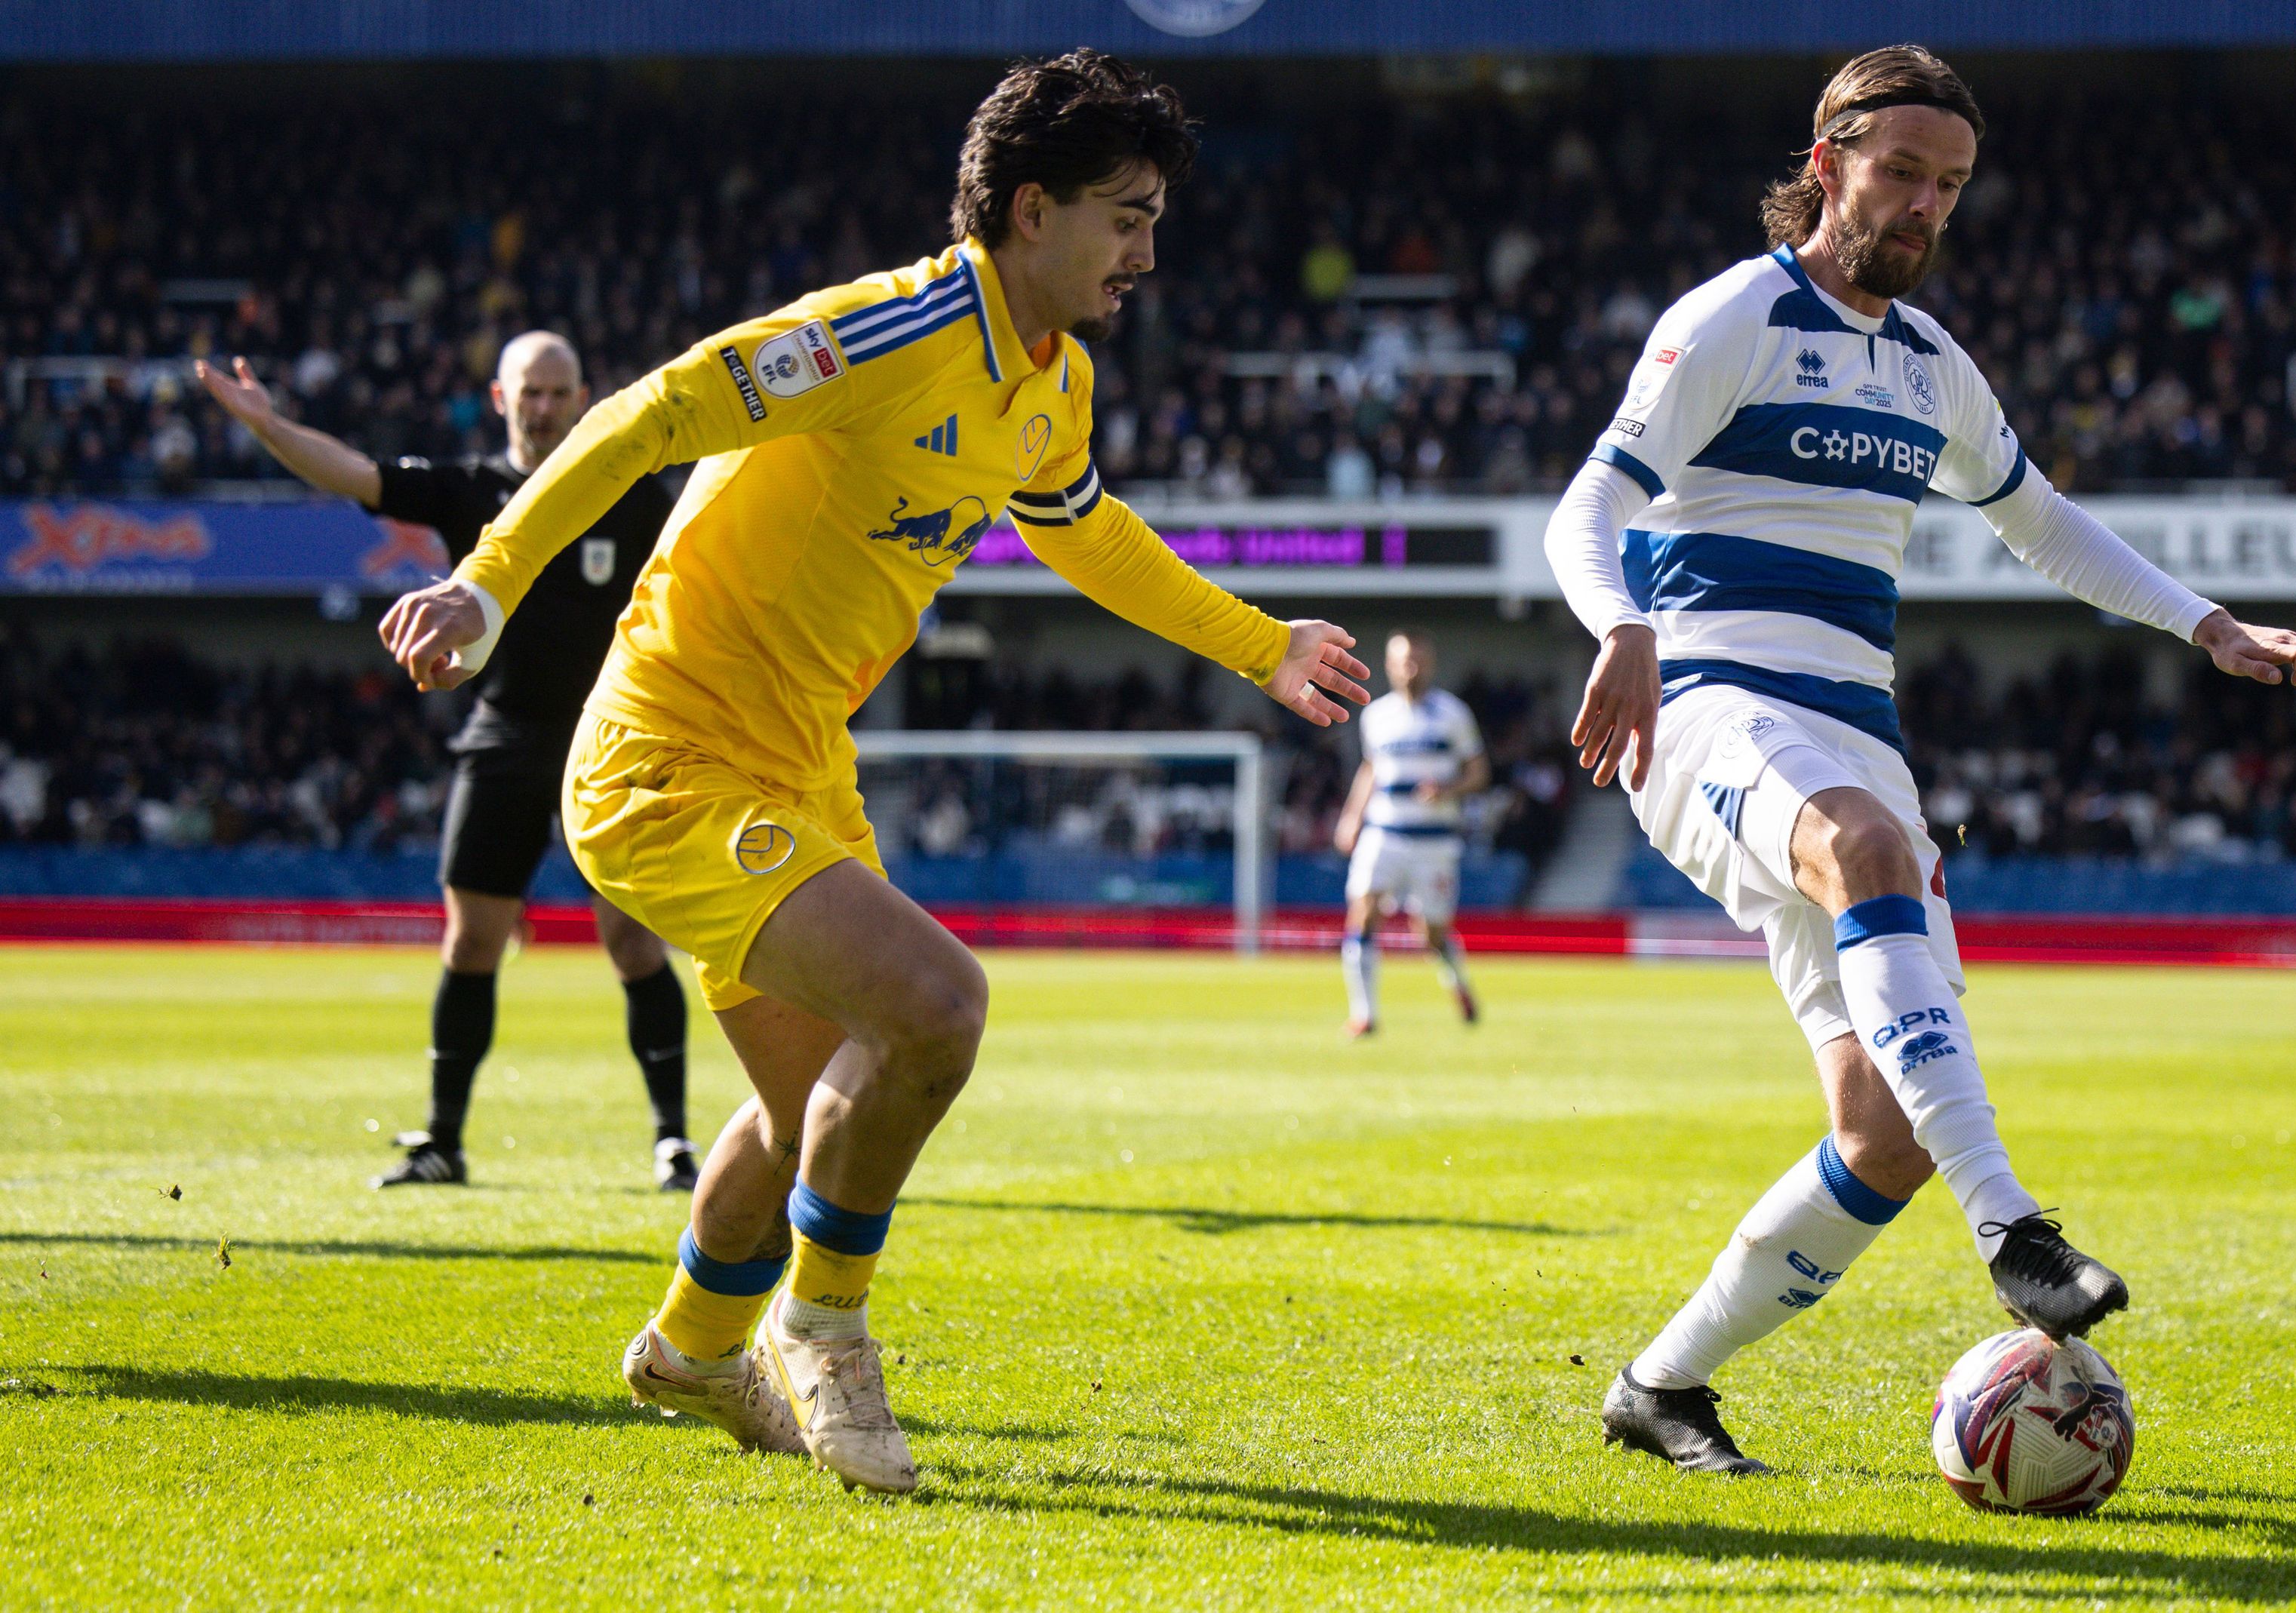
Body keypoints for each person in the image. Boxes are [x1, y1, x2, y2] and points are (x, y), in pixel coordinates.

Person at [375, 51, 1366, 1495]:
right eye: (1127, 214)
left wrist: (1257, 644)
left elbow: (1084, 531)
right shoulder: (882, 332)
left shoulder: (1053, 381)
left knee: (811, 1110)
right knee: (936, 1007)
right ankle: (822, 1330)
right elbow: (646, 414)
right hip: (664, 755)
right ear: (1032, 210)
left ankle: (694, 1346)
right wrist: (487, 582)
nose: (1149, 249)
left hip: (798, 767)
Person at [1545, 45, 2296, 1474]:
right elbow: (1588, 503)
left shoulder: (1932, 364)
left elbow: (2042, 522)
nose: (1921, 205)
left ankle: (1659, 1386)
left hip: (1855, 734)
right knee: (1867, 846)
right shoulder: (1734, 314)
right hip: (1710, 705)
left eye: (1948, 185)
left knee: (1883, 1134)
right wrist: (1623, 628)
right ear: (1828, 159)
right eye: (1899, 170)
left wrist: (2208, 623)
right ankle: (2015, 1230)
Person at [195, 334, 698, 1193]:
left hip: (609, 742)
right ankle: (444, 1142)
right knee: (471, 941)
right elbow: (355, 473)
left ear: (583, 398)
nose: (543, 406)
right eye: (529, 392)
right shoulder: (471, 489)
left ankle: (672, 1143)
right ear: (500, 400)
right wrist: (269, 427)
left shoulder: (629, 492)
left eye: (557, 391)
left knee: (632, 943)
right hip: (501, 737)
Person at [1333, 630, 1487, 1034]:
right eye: (1403, 661)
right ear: (1389, 665)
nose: (1410, 669)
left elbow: (1478, 773)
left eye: (1417, 661)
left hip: (1434, 841)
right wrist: (1352, 817)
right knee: (1363, 911)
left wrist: (1447, 790)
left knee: (1431, 934)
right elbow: (1371, 769)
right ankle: (1364, 1014)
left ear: (1430, 664)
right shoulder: (1377, 715)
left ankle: (1458, 982)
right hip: (1384, 832)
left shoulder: (1453, 714)